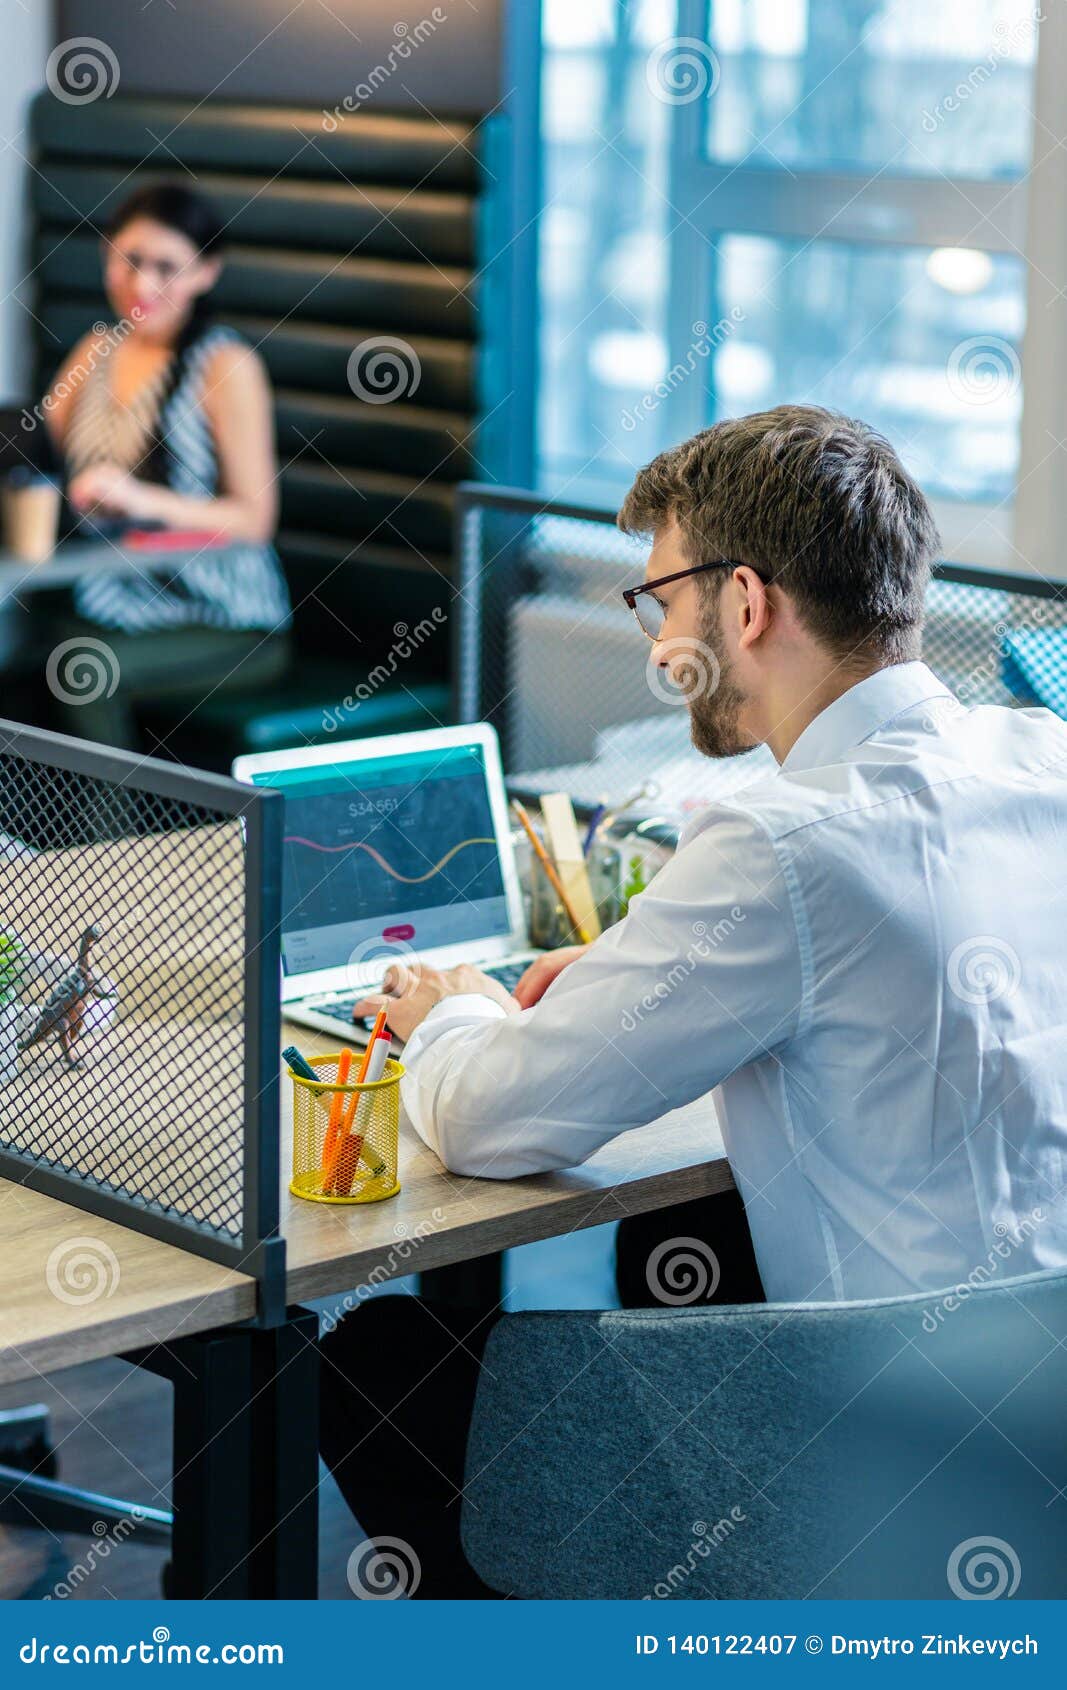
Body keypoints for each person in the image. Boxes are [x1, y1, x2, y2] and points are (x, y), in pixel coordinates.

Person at [319, 403, 1067, 1594]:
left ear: (747, 604)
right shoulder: (1040, 759)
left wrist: (453, 1008)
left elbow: (485, 1117)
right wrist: (635, 964)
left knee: (375, 1350)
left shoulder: (785, 844)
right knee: (680, 1240)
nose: (658, 641)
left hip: (889, 1471)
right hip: (1034, 1433)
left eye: (661, 600)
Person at [42, 182, 292, 750]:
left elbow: (255, 520)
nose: (142, 285)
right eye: (129, 261)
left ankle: (114, 814)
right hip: (116, 604)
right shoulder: (95, 351)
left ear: (206, 273)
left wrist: (139, 498)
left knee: (82, 673)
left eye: (166, 268)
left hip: (228, 620)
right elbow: (33, 457)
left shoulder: (225, 365)